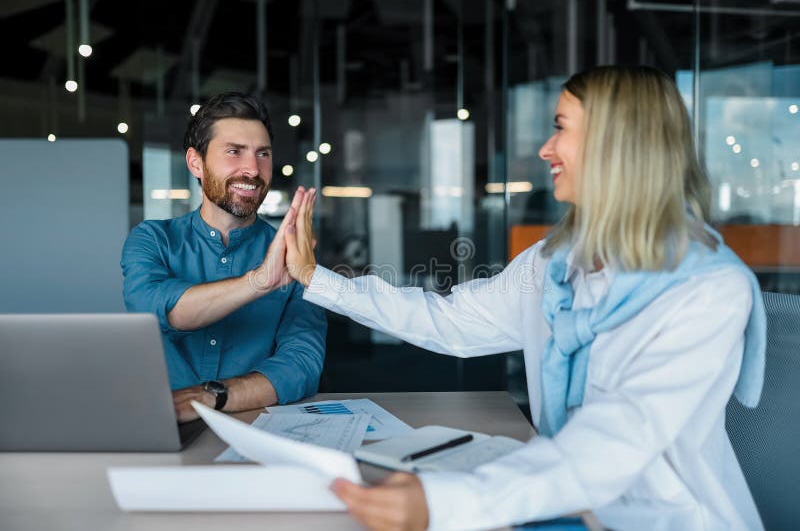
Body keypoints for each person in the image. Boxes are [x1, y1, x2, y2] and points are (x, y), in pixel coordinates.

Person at [282, 66, 766, 531]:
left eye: (560, 128)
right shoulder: (556, 261)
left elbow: (613, 444)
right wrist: (316, 278)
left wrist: (445, 504)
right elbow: (453, 321)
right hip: (563, 504)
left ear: (617, 144)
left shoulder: (706, 291)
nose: (545, 149)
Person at [121, 92, 326, 422]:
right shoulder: (153, 240)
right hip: (160, 422)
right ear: (196, 162)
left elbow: (302, 363)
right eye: (234, 152)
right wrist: (260, 281)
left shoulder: (295, 253)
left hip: (254, 423)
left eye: (263, 154)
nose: (252, 169)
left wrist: (214, 396)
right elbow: (155, 310)